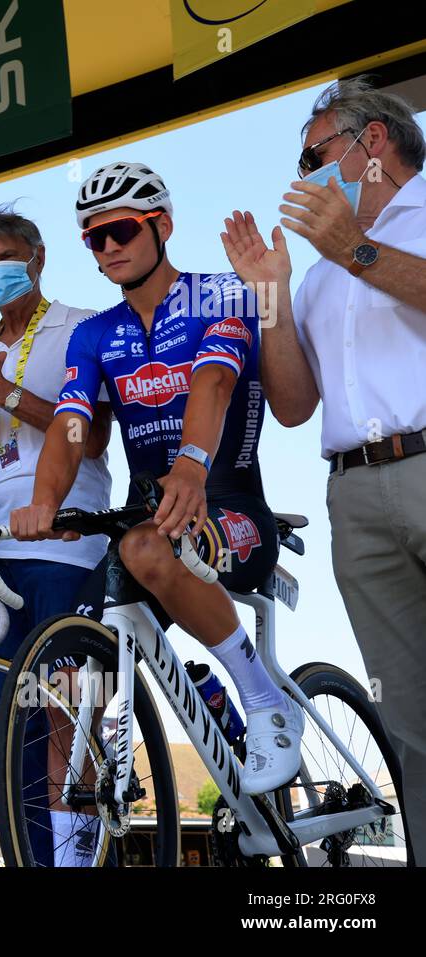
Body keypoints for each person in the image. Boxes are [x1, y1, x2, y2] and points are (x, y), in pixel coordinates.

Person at [12, 162, 302, 796]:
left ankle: (264, 703)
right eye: (94, 237)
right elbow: (69, 426)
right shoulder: (93, 334)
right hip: (145, 517)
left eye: (121, 229)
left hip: (229, 506)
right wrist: (42, 501)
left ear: (162, 225)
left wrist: (192, 467)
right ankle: (80, 828)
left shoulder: (220, 293)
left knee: (145, 547)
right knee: (73, 660)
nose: (109, 246)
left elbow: (215, 380)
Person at [221, 76, 426, 856]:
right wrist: (271, 296)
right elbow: (296, 403)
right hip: (356, 496)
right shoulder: (313, 275)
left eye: (314, 155)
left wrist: (356, 249)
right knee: (409, 723)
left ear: (372, 143)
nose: (304, 176)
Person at [0, 206, 112, 867]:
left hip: (65, 546)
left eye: (4, 256)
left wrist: (0, 388)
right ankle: (35, 860)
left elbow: (90, 435)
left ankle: (79, 860)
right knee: (17, 727)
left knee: (70, 713)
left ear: (37, 257)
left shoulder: (82, 326)